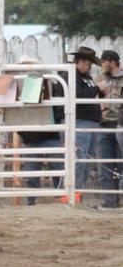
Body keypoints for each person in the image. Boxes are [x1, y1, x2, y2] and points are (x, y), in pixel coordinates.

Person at [15, 56, 63, 205]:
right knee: (33, 170)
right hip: (36, 134)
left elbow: (59, 107)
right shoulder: (20, 85)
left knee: (54, 167)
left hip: (46, 133)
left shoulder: (50, 83)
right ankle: (33, 200)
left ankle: (59, 196)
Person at [60, 46, 101, 193]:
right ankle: (74, 192)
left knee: (85, 160)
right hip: (79, 121)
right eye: (89, 64)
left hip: (88, 121)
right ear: (81, 61)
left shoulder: (85, 77)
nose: (90, 67)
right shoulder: (70, 76)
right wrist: (97, 89)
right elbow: (79, 96)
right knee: (78, 159)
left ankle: (78, 192)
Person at [95, 50, 123, 208]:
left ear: (112, 62)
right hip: (104, 123)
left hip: (120, 123)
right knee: (105, 164)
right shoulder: (99, 79)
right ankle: (109, 200)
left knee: (121, 163)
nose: (102, 65)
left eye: (104, 61)